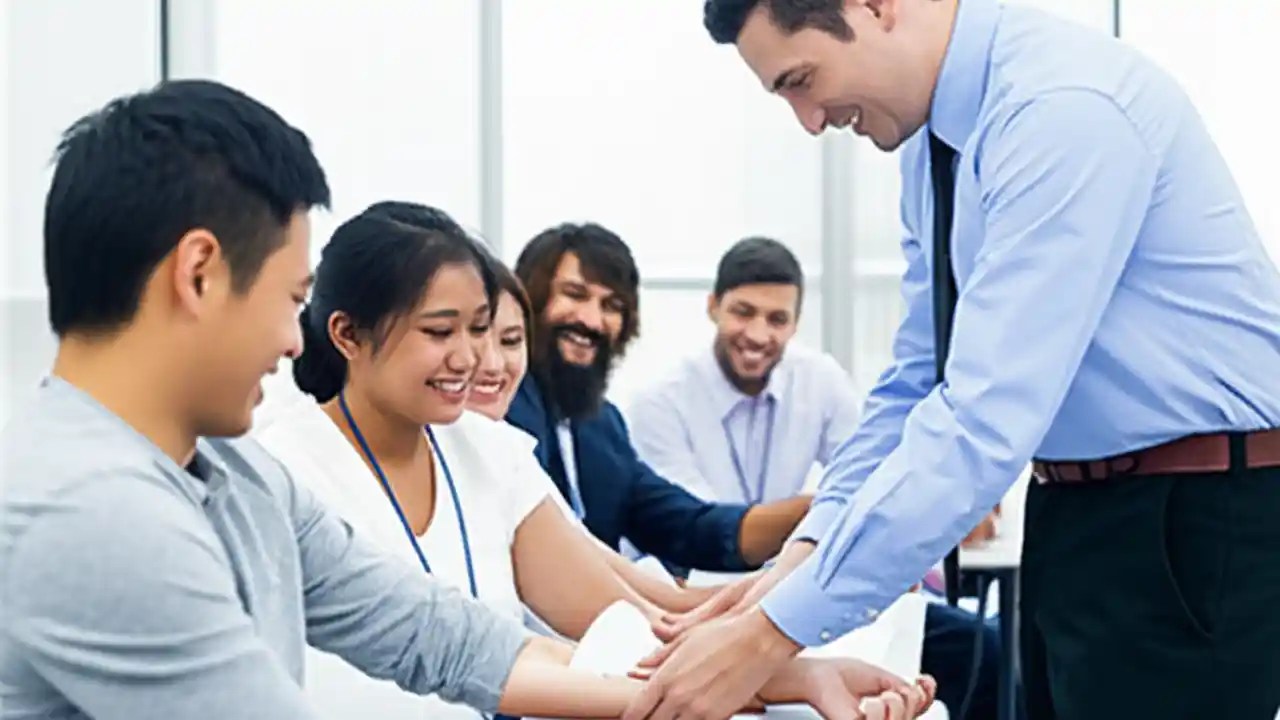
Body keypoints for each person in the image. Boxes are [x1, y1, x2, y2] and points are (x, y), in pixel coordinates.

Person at [0, 79, 930, 720]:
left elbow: (450, 641)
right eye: (288, 301)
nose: (293, 341)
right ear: (200, 274)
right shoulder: (89, 511)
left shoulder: (234, 475)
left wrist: (770, 680)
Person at [623, 1, 1280, 719]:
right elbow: (917, 380)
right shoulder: (935, 145)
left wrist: (767, 637)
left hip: (1190, 518)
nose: (809, 121)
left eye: (802, 79)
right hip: (1080, 509)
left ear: (874, 6)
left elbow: (982, 415)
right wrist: (799, 561)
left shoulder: (1061, 110)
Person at [253, 201, 732, 720]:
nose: (471, 358)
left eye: (479, 329)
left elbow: (625, 623)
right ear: (347, 334)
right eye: (439, 332)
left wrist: (766, 662)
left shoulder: (488, 448)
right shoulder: (280, 470)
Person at [628, 236, 1000, 718]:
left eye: (777, 319)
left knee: (982, 651)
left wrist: (941, 495)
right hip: (709, 601)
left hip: (808, 591)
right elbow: (702, 531)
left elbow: (872, 471)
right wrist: (846, 512)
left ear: (796, 324)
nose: (759, 334)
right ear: (712, 306)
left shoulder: (819, 380)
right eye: (743, 311)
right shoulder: (661, 401)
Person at [504, 222, 812, 575]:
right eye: (574, 294)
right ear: (527, 299)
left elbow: (687, 528)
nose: (591, 320)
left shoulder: (601, 426)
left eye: (611, 305)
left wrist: (816, 512)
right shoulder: (500, 406)